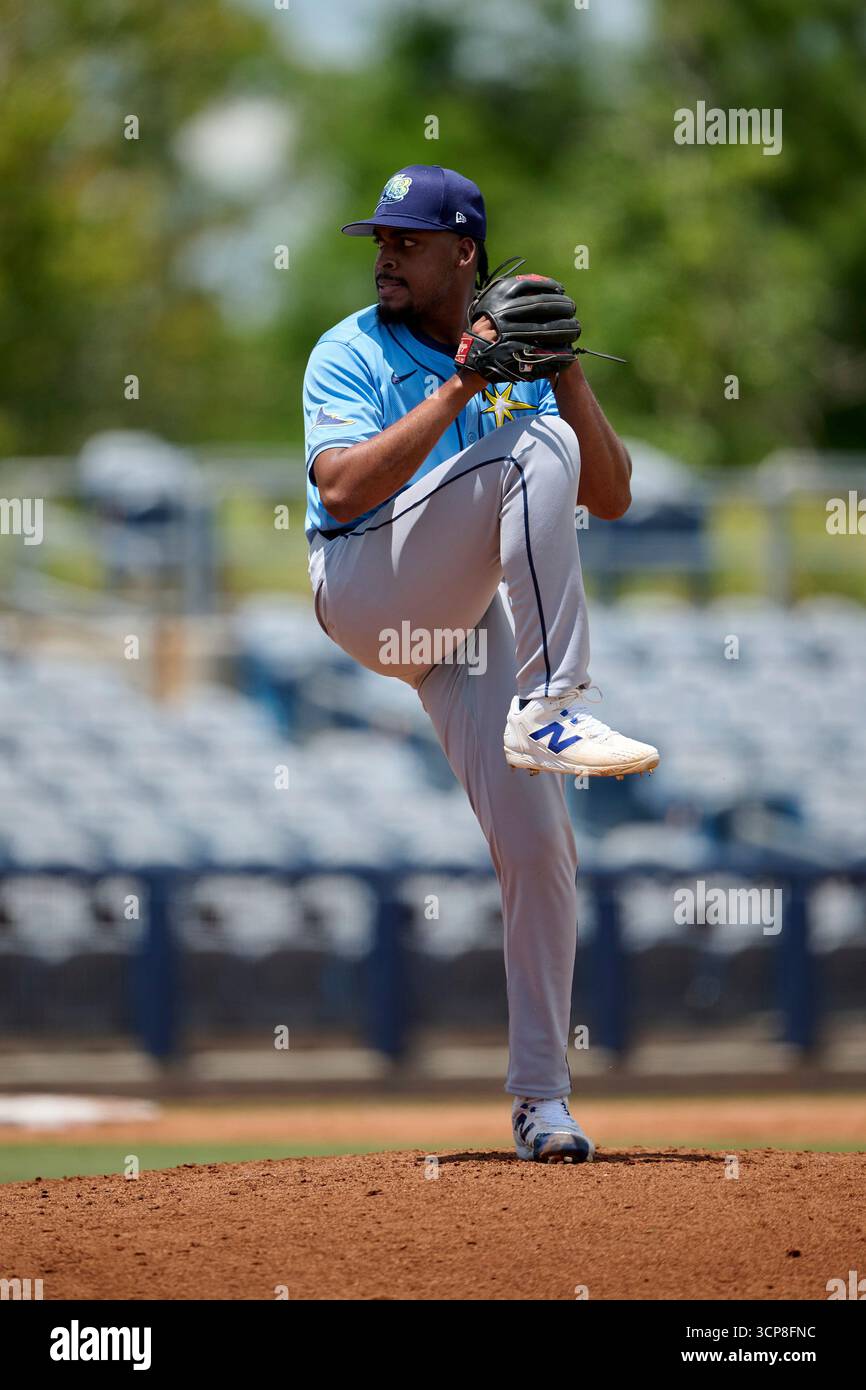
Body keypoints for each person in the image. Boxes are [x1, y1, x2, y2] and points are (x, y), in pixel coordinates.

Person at [303, 164, 658, 1163]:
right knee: (526, 449)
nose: (382, 255)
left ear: (462, 252)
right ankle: (552, 704)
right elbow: (338, 492)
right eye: (376, 239)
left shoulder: (519, 364)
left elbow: (615, 496)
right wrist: (467, 377)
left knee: (541, 848)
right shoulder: (347, 350)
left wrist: (565, 369)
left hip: (458, 623)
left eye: (404, 241)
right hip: (367, 585)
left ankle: (540, 1101)